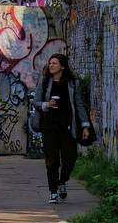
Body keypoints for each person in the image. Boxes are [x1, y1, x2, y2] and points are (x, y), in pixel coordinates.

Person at [33, 53, 93, 203]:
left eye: (54, 63)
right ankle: (53, 192)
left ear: (62, 66)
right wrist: (46, 105)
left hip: (67, 127)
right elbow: (36, 102)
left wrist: (85, 126)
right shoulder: (45, 81)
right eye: (50, 63)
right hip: (49, 126)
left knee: (70, 159)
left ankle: (62, 181)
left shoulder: (72, 83)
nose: (51, 65)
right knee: (51, 160)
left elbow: (79, 105)